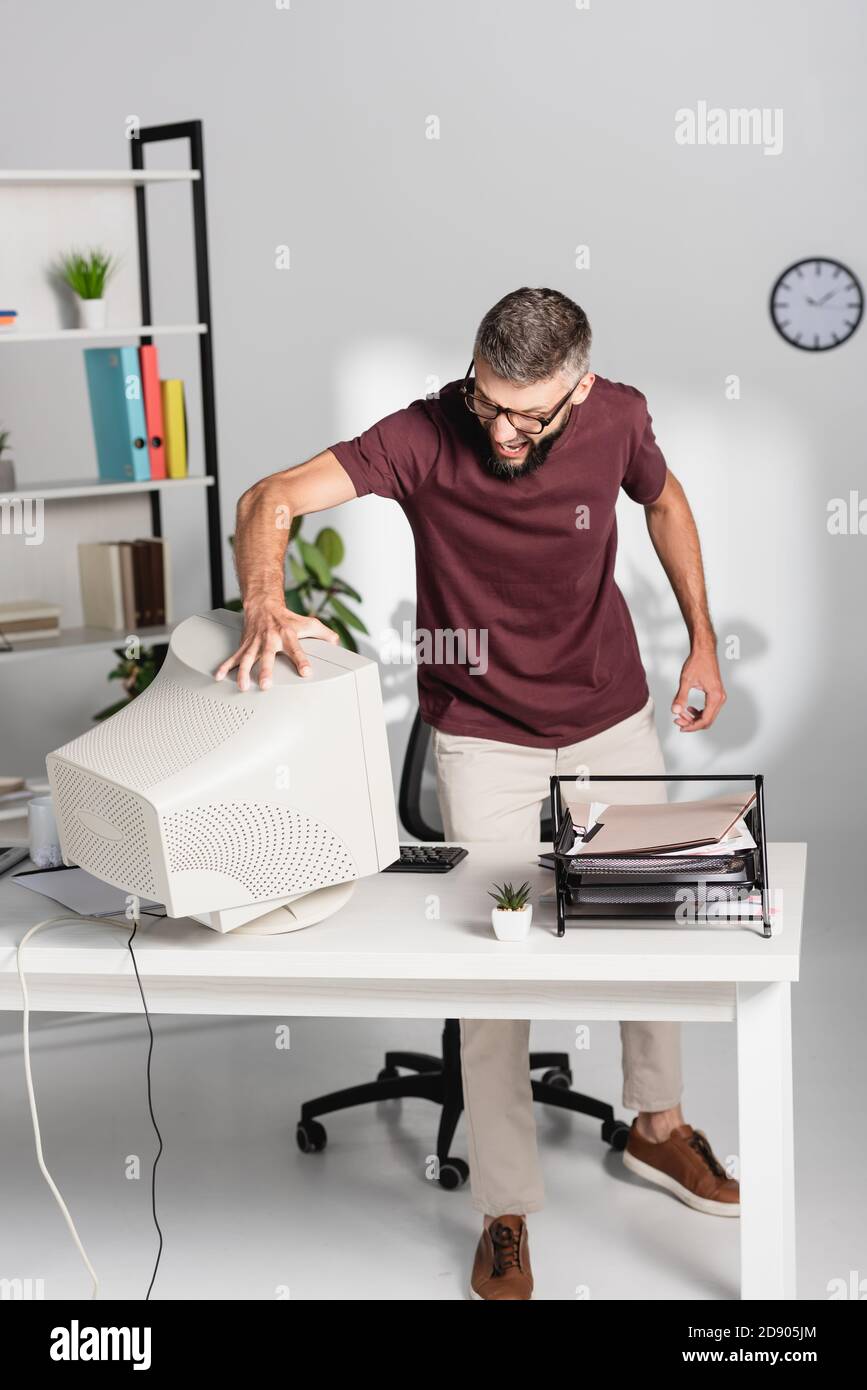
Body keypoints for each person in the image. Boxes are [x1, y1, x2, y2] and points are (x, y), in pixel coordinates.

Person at [218, 287, 739, 1301]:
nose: (499, 429)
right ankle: (504, 1208)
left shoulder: (620, 418)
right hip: (483, 738)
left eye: (527, 413)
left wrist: (704, 638)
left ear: (579, 388)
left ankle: (659, 1127)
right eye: (487, 399)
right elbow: (268, 499)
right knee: (494, 971)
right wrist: (264, 600)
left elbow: (665, 500)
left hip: (609, 713)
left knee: (648, 925)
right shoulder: (423, 434)